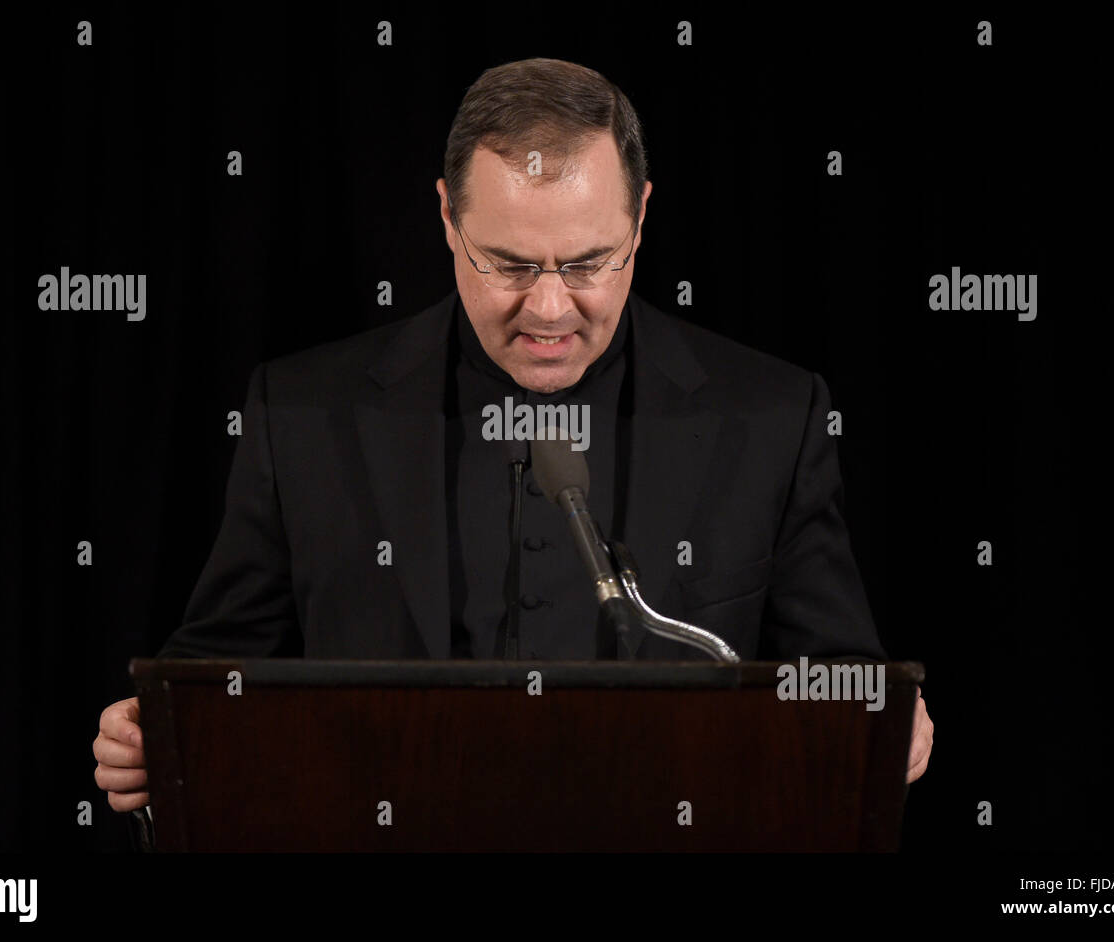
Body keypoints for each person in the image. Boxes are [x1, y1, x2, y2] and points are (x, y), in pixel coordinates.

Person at [95, 57, 933, 818]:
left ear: (641, 219)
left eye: (587, 262)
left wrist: (879, 719)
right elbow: (213, 682)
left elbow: (838, 684)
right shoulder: (305, 412)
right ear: (447, 219)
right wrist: (151, 740)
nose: (549, 309)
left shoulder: (772, 418)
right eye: (510, 264)